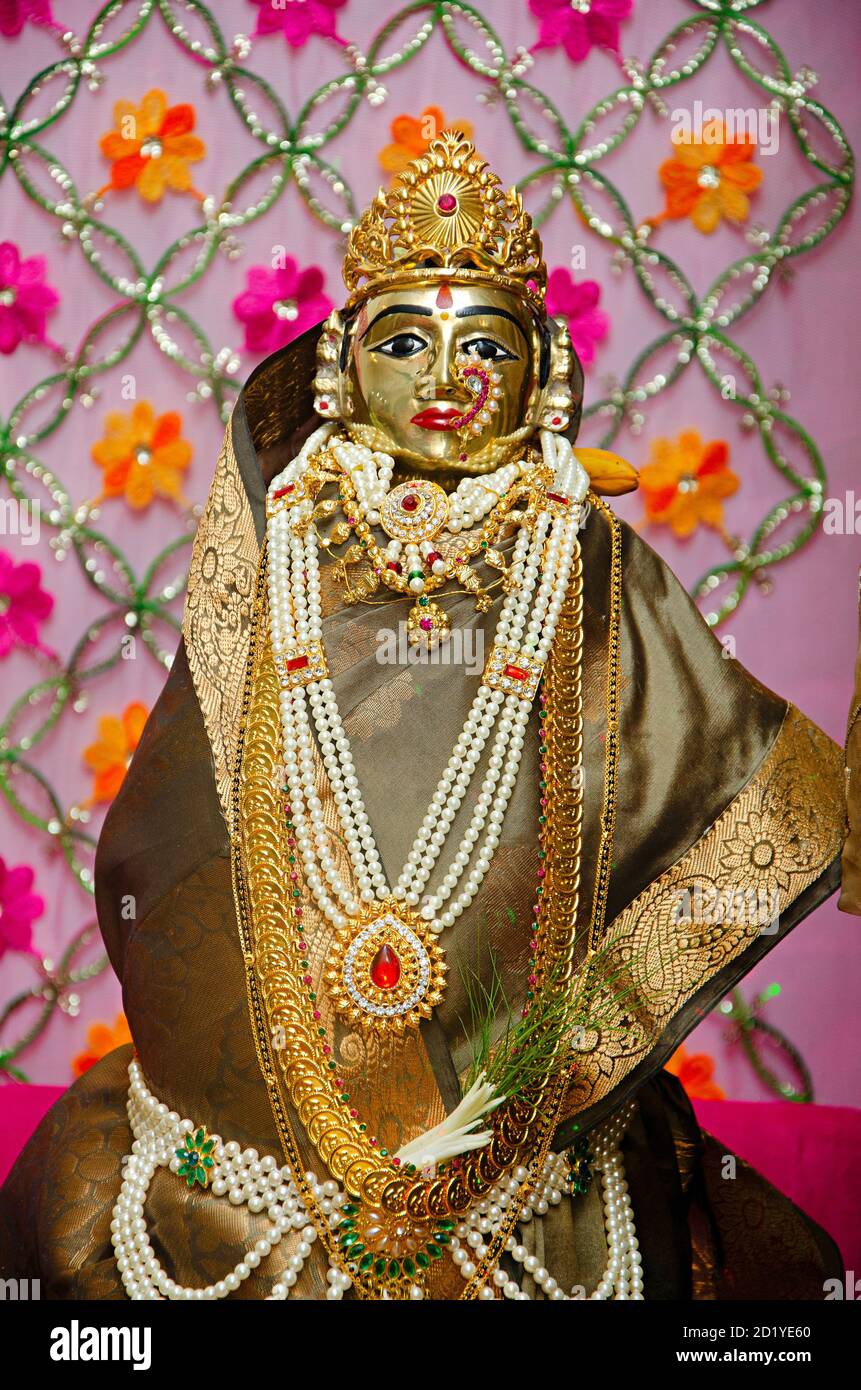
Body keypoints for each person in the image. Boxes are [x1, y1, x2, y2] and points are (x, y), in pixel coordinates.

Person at [0, 132, 847, 1301]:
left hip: (521, 1158)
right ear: (342, 364)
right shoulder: (275, 538)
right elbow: (182, 830)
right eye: (405, 341)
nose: (446, 377)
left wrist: (566, 1041)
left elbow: (738, 785)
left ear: (538, 368)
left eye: (483, 344)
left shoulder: (584, 554)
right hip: (250, 1167)